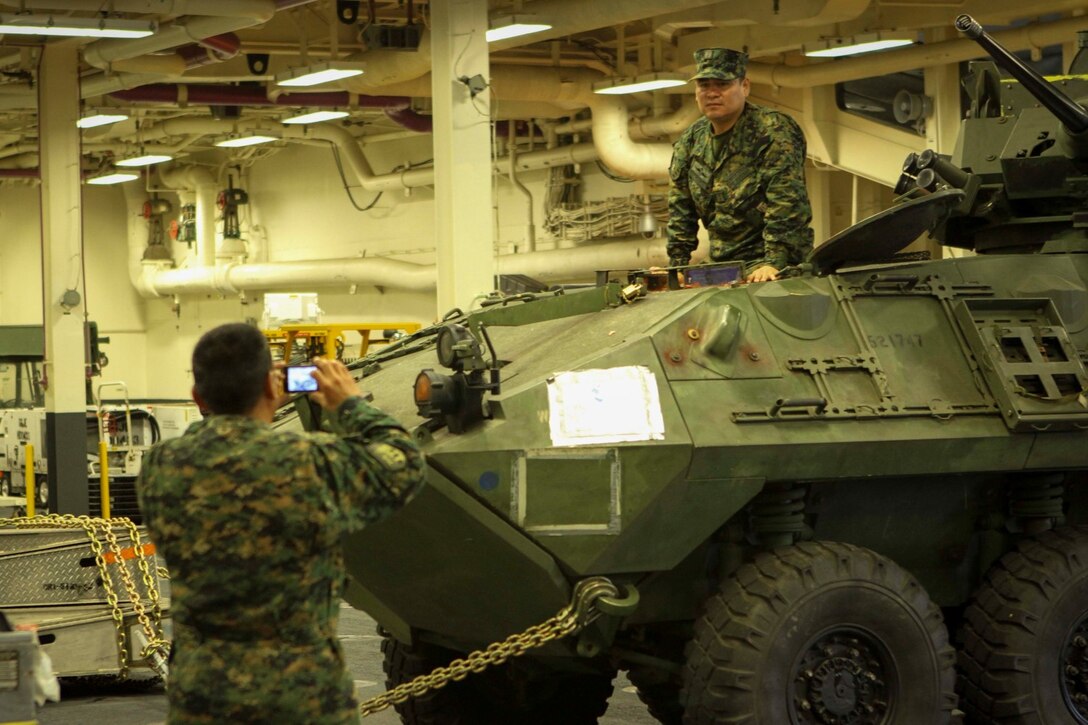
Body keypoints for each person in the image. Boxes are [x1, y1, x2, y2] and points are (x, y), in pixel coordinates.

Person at [137, 323, 425, 724]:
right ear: (273, 387)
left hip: (203, 697)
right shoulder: (310, 462)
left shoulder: (161, 466)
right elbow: (404, 464)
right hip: (302, 698)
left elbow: (215, 444)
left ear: (197, 398)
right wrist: (349, 404)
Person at [667, 47, 814, 282]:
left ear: (744, 86)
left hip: (774, 265)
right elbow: (680, 208)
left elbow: (786, 202)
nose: (712, 93)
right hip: (723, 266)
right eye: (704, 85)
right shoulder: (691, 140)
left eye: (722, 84)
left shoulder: (772, 130)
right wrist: (676, 267)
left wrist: (774, 262)